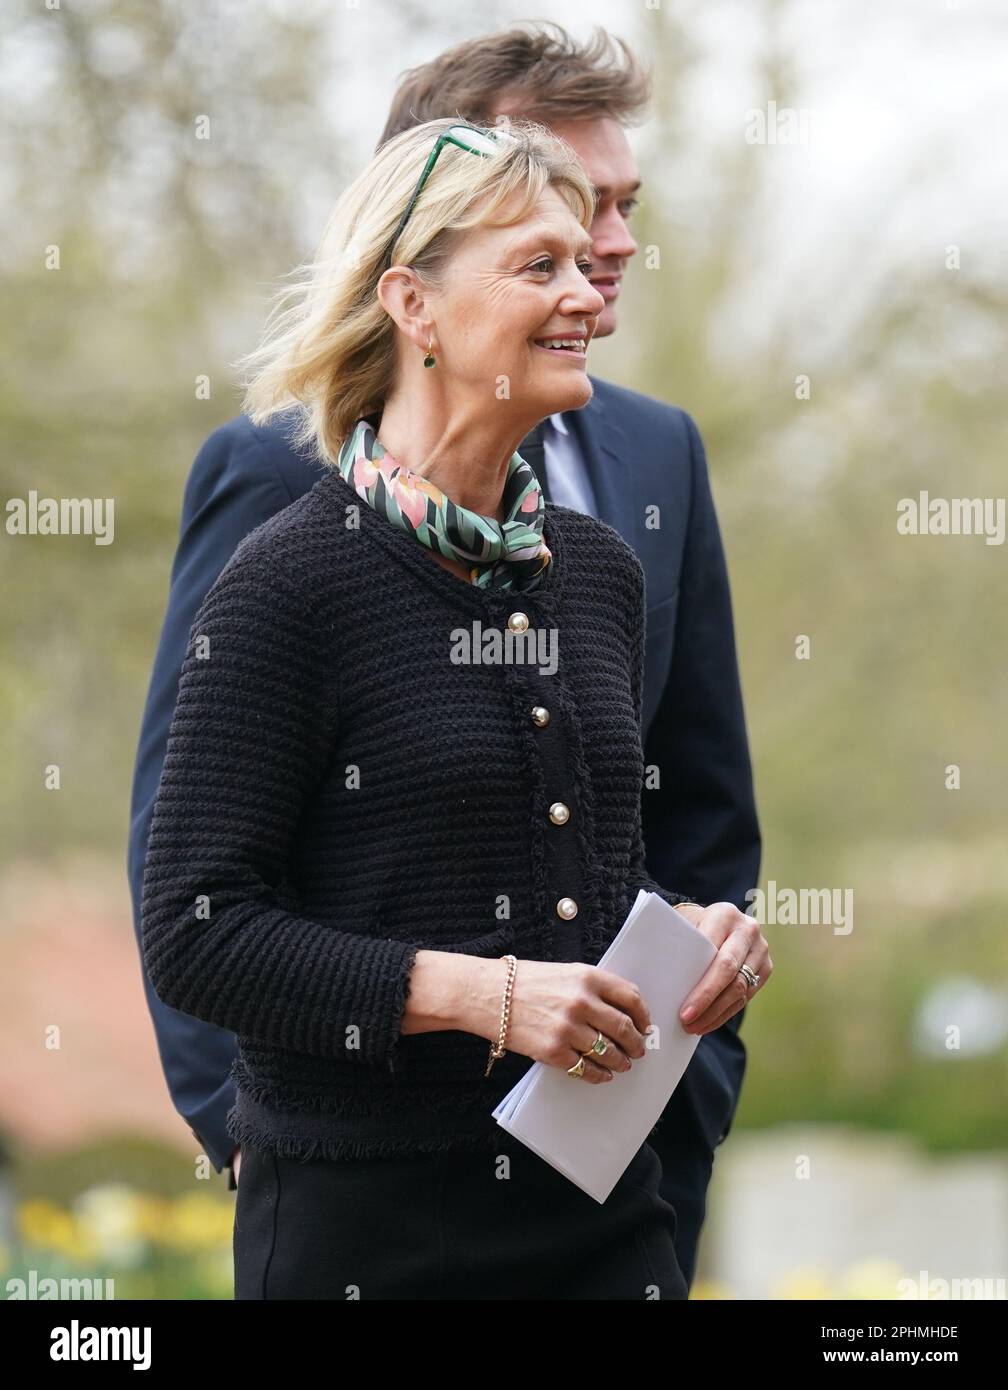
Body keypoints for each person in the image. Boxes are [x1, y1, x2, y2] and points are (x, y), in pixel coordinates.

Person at [128, 23, 762, 1289]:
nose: (592, 291)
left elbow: (634, 859)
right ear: (412, 301)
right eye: (544, 264)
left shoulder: (598, 571)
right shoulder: (289, 572)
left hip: (602, 1216)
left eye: (587, 259)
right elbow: (196, 925)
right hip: (369, 1230)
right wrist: (478, 998)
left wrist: (702, 946)